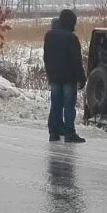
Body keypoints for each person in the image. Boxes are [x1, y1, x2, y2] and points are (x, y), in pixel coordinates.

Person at [43, 8, 85, 142]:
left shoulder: (49, 36)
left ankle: (53, 133)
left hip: (54, 77)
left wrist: (49, 73)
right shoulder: (71, 38)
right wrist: (82, 78)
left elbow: (46, 57)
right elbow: (76, 61)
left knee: (56, 105)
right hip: (68, 78)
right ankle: (69, 134)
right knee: (69, 107)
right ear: (71, 22)